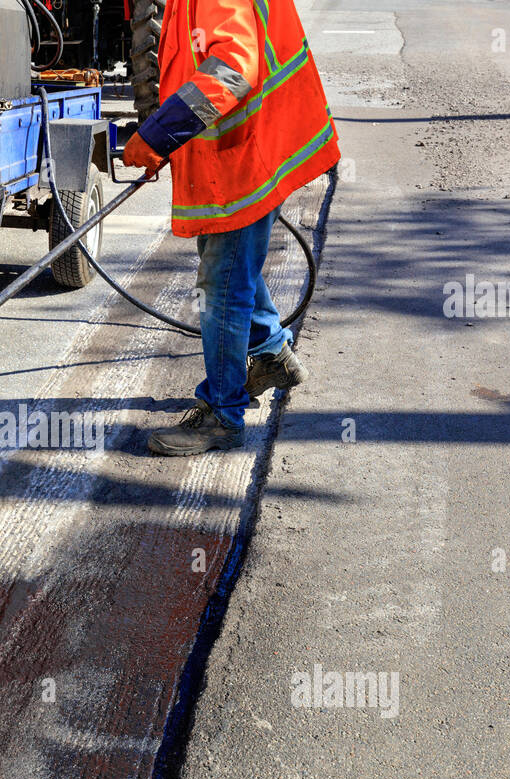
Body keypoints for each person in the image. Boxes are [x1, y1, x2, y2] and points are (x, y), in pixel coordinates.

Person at [122, 0, 340, 456]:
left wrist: (159, 133)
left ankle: (223, 416)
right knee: (231, 267)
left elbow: (232, 71)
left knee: (222, 285)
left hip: (244, 158)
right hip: (238, 154)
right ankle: (272, 355)